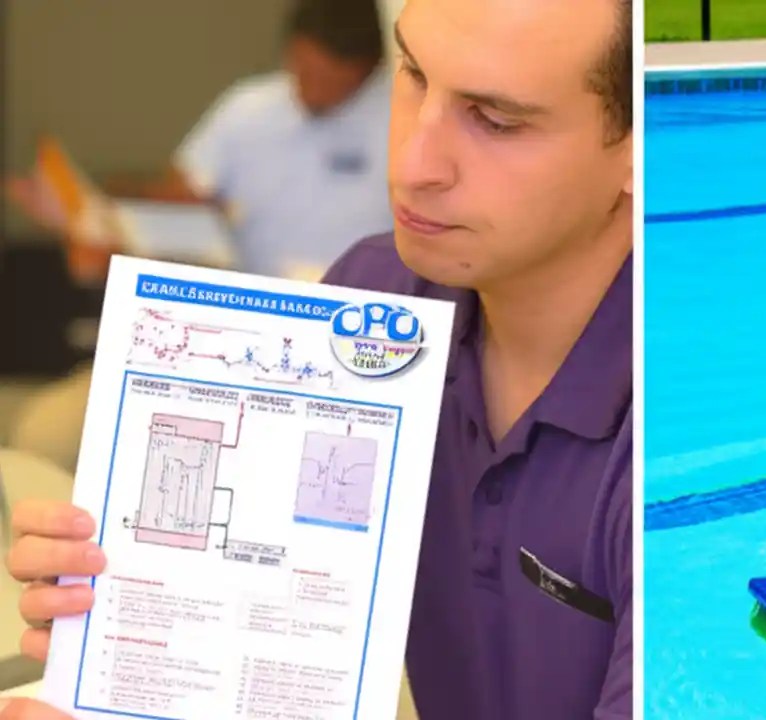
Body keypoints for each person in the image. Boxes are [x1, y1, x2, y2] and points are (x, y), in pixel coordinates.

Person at [0, 0, 633, 718]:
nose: (413, 164)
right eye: (416, 75)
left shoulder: (683, 452)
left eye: (495, 120)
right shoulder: (372, 300)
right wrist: (132, 629)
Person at [5, 0, 394, 280]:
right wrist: (89, 216)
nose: (312, 92)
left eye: (331, 81)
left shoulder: (401, 115)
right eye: (304, 72)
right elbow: (178, 198)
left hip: (364, 311)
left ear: (370, 69)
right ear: (290, 50)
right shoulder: (248, 108)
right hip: (248, 301)